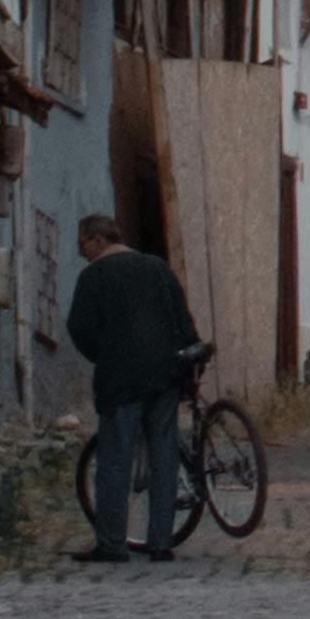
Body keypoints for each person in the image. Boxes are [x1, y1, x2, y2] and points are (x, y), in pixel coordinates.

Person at [67, 212, 201, 563]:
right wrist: (186, 355)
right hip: (164, 375)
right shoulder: (156, 267)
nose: (82, 252)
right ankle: (161, 543)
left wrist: (104, 355)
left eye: (82, 244)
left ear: (97, 239)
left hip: (121, 378)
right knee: (164, 456)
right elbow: (182, 318)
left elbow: (79, 329)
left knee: (115, 460)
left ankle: (112, 545)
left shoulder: (93, 277)